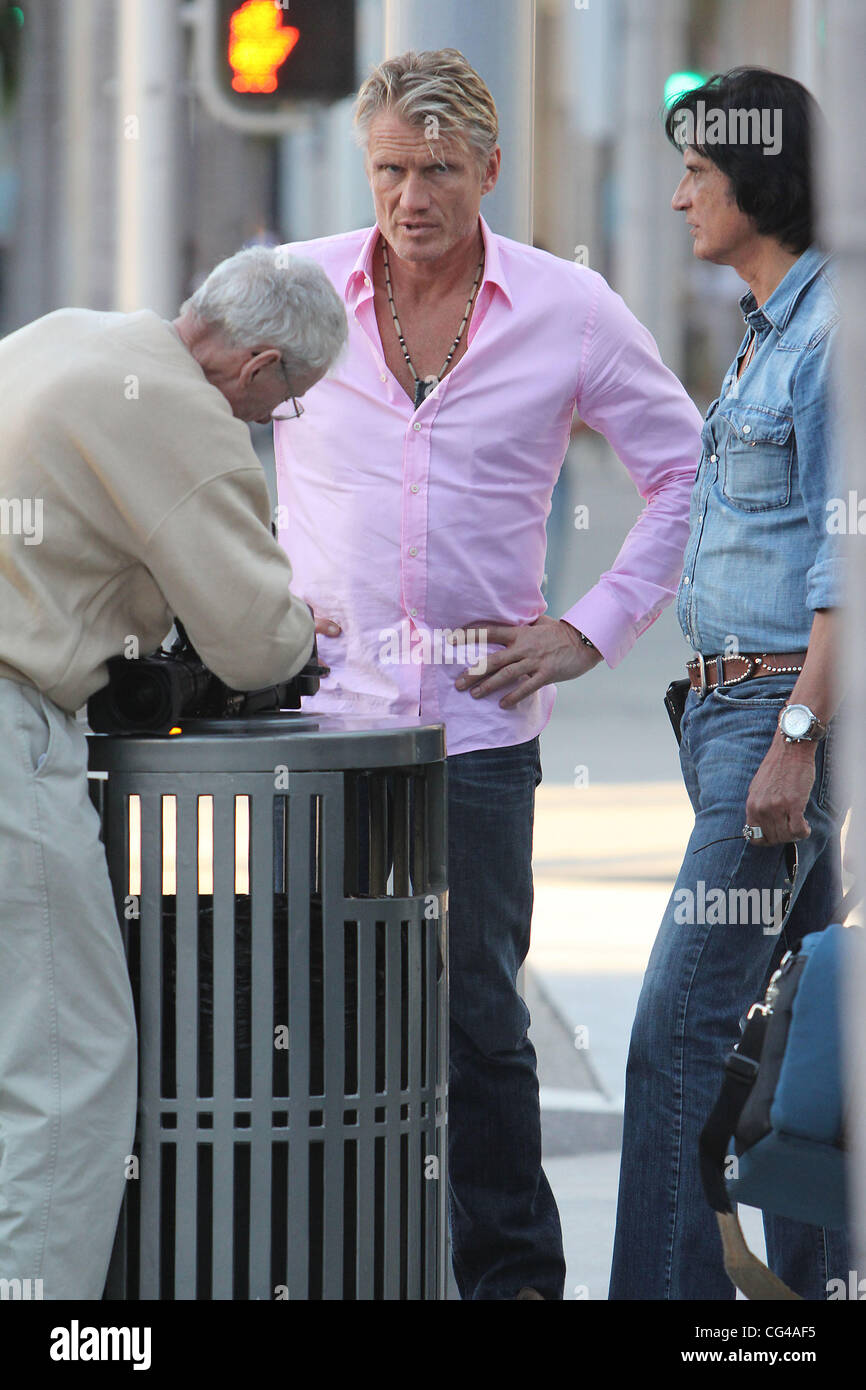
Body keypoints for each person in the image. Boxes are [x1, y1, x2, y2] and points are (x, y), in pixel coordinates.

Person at [271, 48, 703, 1300]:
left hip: (476, 735)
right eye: (391, 169)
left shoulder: (567, 310)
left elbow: (687, 468)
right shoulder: (296, 287)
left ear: (489, 171)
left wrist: (593, 626)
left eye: (439, 170)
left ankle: (511, 1286)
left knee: (474, 1030)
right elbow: (189, 399)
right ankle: (334, 1274)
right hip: (323, 724)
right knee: (317, 1019)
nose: (411, 196)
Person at [0, 245, 347, 1299]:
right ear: (259, 366)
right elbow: (253, 642)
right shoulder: (187, 418)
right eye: (288, 404)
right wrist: (295, 627)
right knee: (68, 1064)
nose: (272, 423)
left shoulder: (66, 333)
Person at [609, 67, 849, 1301]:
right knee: (799, 1047)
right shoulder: (770, 328)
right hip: (729, 716)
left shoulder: (827, 335)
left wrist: (797, 733)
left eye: (695, 173)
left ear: (759, 180)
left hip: (773, 717)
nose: (673, 197)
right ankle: (806, 1297)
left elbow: (848, 562)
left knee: (674, 1044)